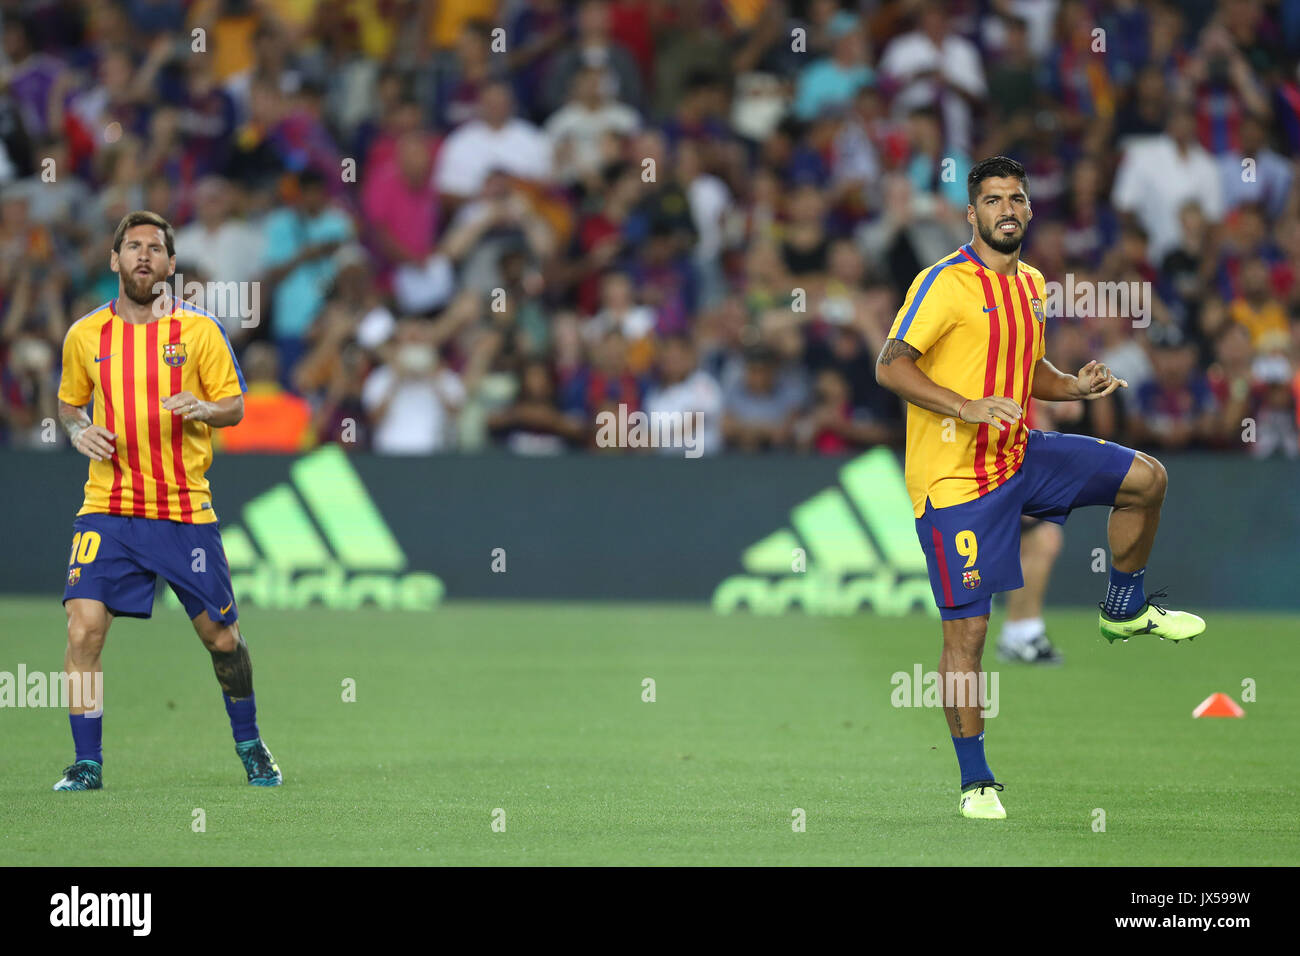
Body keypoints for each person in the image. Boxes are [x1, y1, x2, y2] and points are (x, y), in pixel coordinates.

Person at [874, 157, 1205, 821]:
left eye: (1016, 198)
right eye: (992, 198)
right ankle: (976, 783)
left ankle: (1124, 609)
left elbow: (1025, 371)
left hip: (1018, 453)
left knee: (1146, 479)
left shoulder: (1031, 284)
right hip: (955, 480)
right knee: (966, 637)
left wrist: (1070, 385)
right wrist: (964, 407)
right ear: (971, 214)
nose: (1006, 208)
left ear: (1027, 211)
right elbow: (891, 367)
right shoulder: (941, 283)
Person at [53, 210, 280, 791]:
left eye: (156, 248)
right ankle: (87, 763)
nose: (144, 256)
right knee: (82, 631)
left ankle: (251, 744)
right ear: (115, 260)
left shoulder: (198, 331)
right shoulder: (85, 335)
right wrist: (79, 432)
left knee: (222, 639)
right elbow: (70, 405)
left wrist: (204, 409)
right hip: (108, 506)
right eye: (133, 247)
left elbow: (233, 404)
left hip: (182, 512)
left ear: (171, 264)